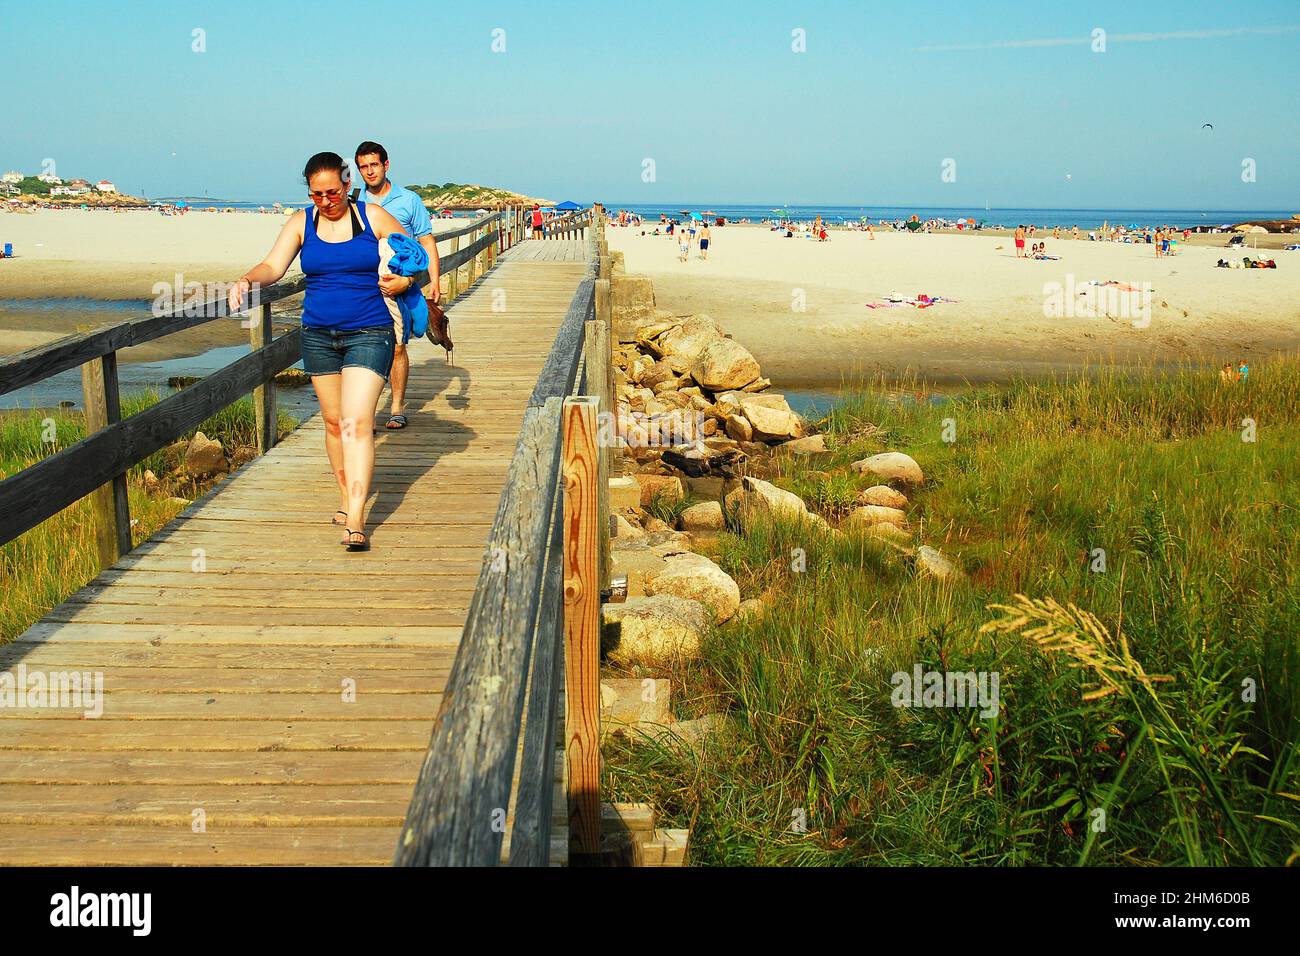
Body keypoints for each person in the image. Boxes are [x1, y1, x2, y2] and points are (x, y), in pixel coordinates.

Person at [227, 151, 411, 552]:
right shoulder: (301, 223)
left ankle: (358, 516)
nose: (325, 201)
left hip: (369, 330)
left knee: (356, 423)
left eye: (332, 192)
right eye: (316, 194)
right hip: (318, 336)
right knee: (332, 423)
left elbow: (411, 257)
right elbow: (273, 266)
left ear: (347, 186)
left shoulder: (372, 217)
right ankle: (346, 498)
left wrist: (403, 281)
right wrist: (245, 280)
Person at [354, 141, 447, 429]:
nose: (369, 171)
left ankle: (396, 406)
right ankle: (365, 411)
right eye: (363, 167)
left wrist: (434, 280)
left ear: (386, 165)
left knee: (396, 347)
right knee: (364, 350)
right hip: (362, 287)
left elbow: (426, 241)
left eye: (374, 164)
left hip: (399, 284)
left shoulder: (409, 200)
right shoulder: (354, 202)